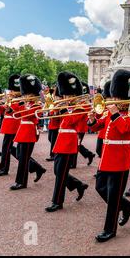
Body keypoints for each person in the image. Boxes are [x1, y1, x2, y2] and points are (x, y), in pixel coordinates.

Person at [90, 70, 130, 243]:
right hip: (107, 157)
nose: (114, 100)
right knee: (100, 187)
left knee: (113, 196)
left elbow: (126, 130)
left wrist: (116, 113)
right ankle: (126, 206)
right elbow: (99, 127)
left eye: (116, 97)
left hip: (120, 158)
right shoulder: (111, 112)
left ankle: (109, 230)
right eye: (114, 97)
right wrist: (92, 120)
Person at [45, 72, 89, 212]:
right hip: (60, 142)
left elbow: (72, 121)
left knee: (61, 174)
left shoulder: (81, 107)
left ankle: (57, 202)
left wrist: (63, 108)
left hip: (69, 143)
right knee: (57, 171)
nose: (67, 98)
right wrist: (56, 110)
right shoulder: (66, 107)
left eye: (70, 96)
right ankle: (78, 185)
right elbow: (56, 119)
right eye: (66, 95)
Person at [10, 74, 46, 190]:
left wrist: (22, 105)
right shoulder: (25, 104)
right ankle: (37, 168)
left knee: (24, 159)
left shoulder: (37, 104)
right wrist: (9, 108)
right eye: (25, 94)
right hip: (22, 131)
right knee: (20, 156)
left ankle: (21, 182)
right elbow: (17, 114)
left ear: (33, 94)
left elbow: (31, 115)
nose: (25, 96)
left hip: (29, 132)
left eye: (28, 94)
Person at [70, 81, 95, 168]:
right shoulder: (78, 103)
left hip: (80, 127)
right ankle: (89, 154)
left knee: (76, 144)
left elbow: (78, 116)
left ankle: (73, 163)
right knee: (76, 144)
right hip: (75, 127)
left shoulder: (86, 104)